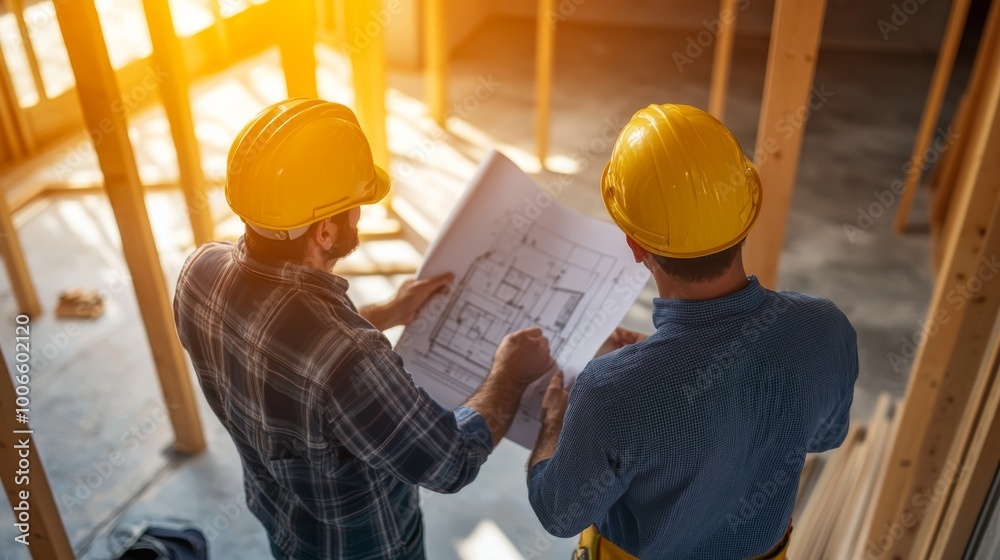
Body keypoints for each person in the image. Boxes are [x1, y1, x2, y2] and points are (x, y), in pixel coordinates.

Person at [173, 98, 554, 560]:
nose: (360, 215)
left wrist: (390, 311)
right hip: (368, 548)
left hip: (282, 522)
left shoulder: (199, 274)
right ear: (325, 232)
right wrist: (509, 374)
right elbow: (450, 462)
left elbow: (287, 352)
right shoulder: (350, 357)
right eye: (355, 206)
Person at [526, 104, 859, 559]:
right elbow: (823, 437)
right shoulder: (824, 328)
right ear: (745, 217)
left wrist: (554, 423)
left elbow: (560, 515)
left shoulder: (609, 392)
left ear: (635, 245)